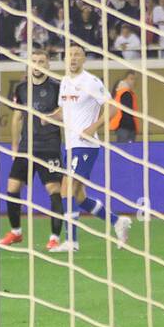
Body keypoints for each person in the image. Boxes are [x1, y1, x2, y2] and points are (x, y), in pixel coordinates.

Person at [55, 44, 133, 252]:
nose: (73, 58)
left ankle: (71, 241)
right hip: (70, 145)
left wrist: (92, 127)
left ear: (83, 59)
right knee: (79, 196)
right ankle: (117, 221)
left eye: (77, 54)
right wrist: (47, 118)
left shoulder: (91, 81)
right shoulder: (64, 82)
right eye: (70, 54)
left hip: (85, 145)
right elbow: (64, 111)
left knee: (66, 188)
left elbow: (113, 107)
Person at [0, 49, 68, 252]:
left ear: (47, 65)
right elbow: (17, 117)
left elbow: (64, 111)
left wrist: (51, 117)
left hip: (49, 146)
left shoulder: (57, 87)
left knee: (54, 190)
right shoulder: (21, 88)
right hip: (26, 147)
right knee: (12, 187)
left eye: (41, 61)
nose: (37, 64)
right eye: (34, 61)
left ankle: (55, 237)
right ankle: (16, 232)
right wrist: (14, 146)